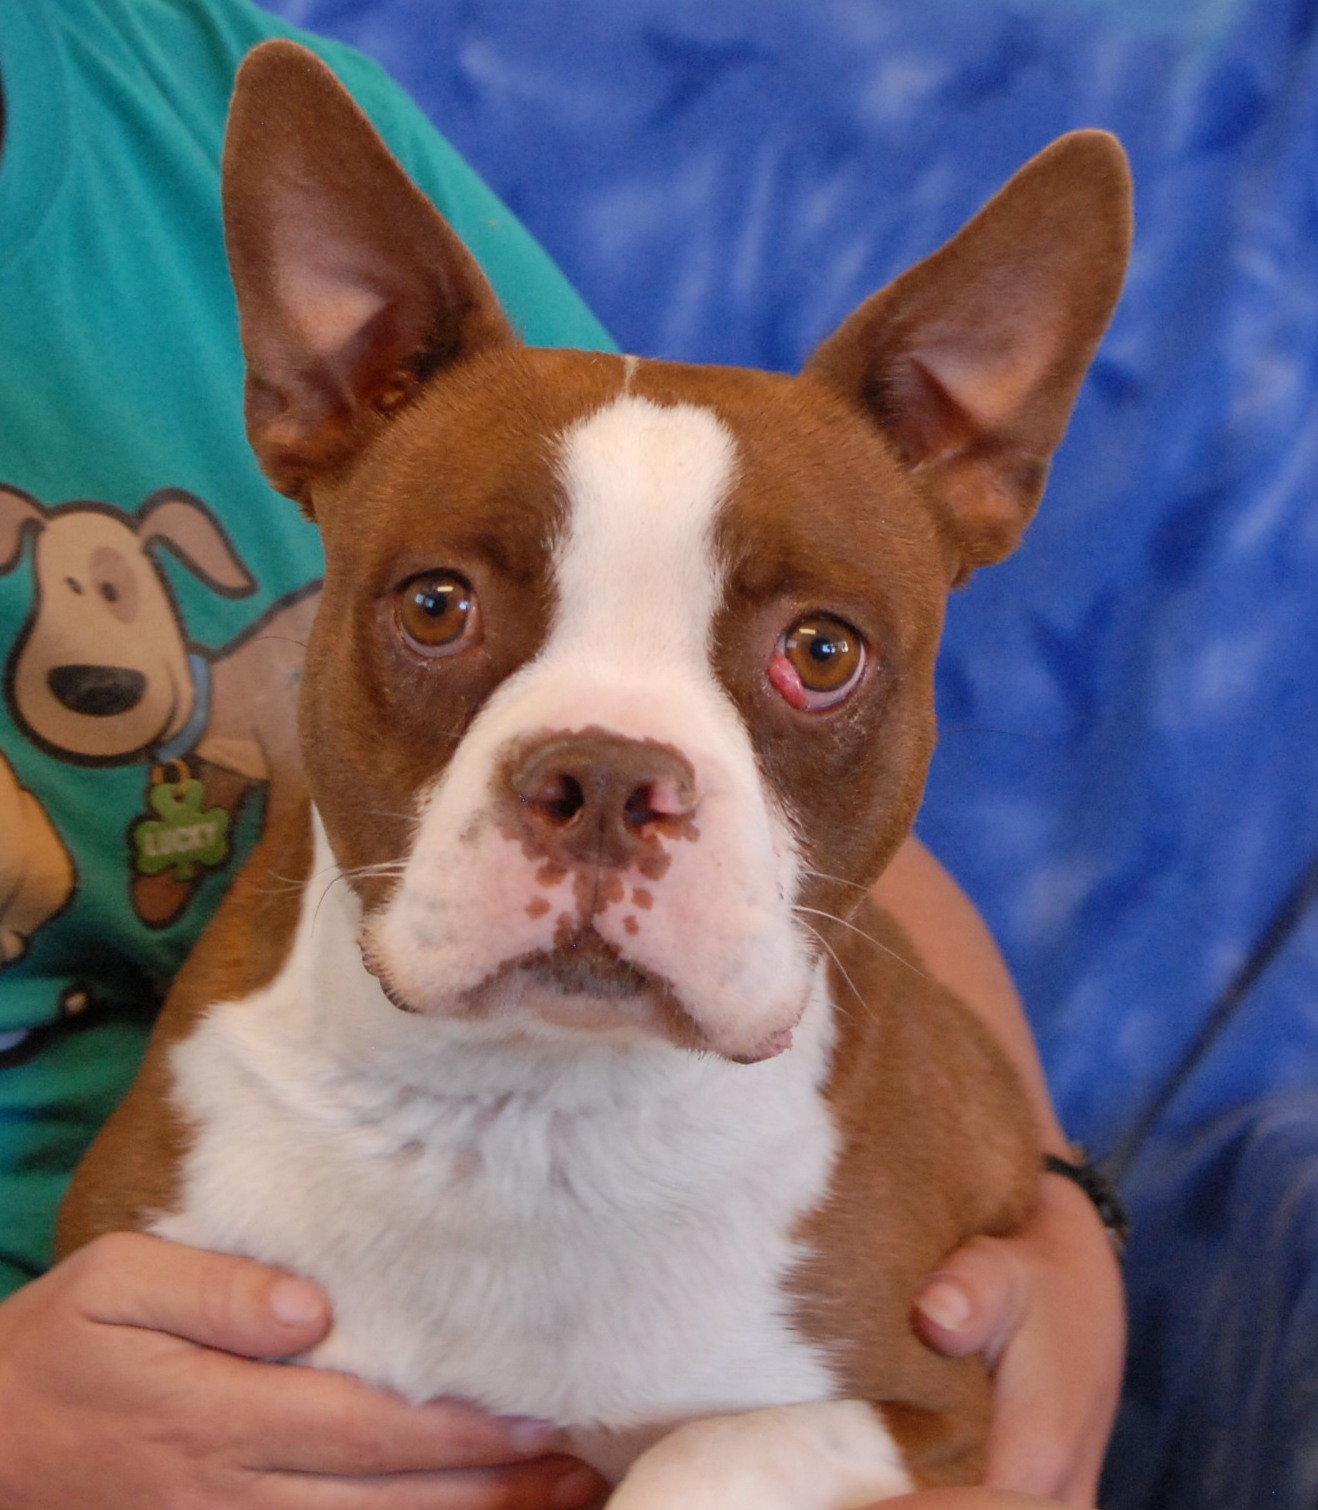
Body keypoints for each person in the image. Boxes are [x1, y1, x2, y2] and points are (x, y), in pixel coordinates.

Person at [0, 1, 1122, 1505]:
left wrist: (1060, 1208)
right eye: (445, 607)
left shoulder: (153, 67)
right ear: (320, 398)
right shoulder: (190, 1176)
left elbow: (943, 1411)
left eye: (813, 655)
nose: (609, 789)